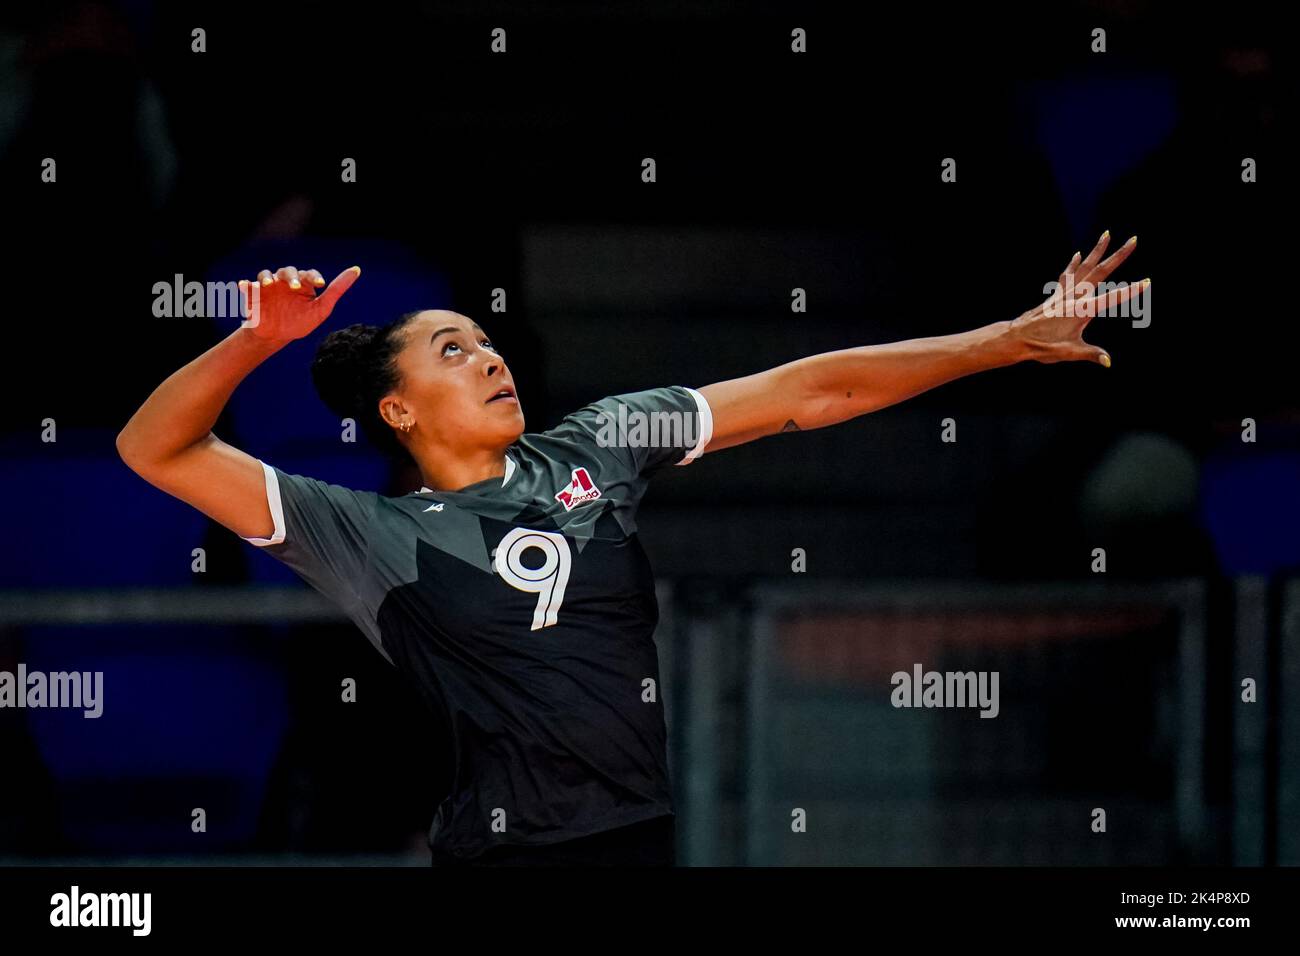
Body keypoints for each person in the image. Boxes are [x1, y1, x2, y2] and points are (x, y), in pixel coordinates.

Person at [116, 233, 1143, 865]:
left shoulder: (600, 442)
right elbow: (152, 446)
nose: (489, 357)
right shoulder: (365, 533)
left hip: (641, 838)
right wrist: (257, 340)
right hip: (502, 854)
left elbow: (803, 391)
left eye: (486, 340)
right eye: (452, 350)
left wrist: (1002, 340)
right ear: (398, 409)